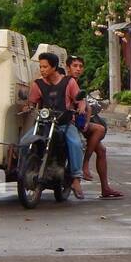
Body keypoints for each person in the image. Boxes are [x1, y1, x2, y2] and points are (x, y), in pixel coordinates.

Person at [20, 52, 85, 200]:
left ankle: (76, 178)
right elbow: (31, 102)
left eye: (45, 66)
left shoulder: (69, 82)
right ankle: (24, 171)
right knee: (24, 142)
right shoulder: (38, 84)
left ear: (54, 67)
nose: (42, 69)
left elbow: (80, 98)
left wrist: (81, 106)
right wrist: (27, 107)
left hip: (64, 124)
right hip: (44, 124)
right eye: (40, 66)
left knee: (75, 143)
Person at [66, 56, 123, 199]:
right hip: (69, 121)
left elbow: (84, 104)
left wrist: (86, 118)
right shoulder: (67, 81)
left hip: (79, 121)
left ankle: (105, 188)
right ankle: (85, 164)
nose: (78, 69)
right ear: (68, 67)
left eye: (80, 66)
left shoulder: (76, 83)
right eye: (75, 66)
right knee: (99, 129)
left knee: (102, 151)